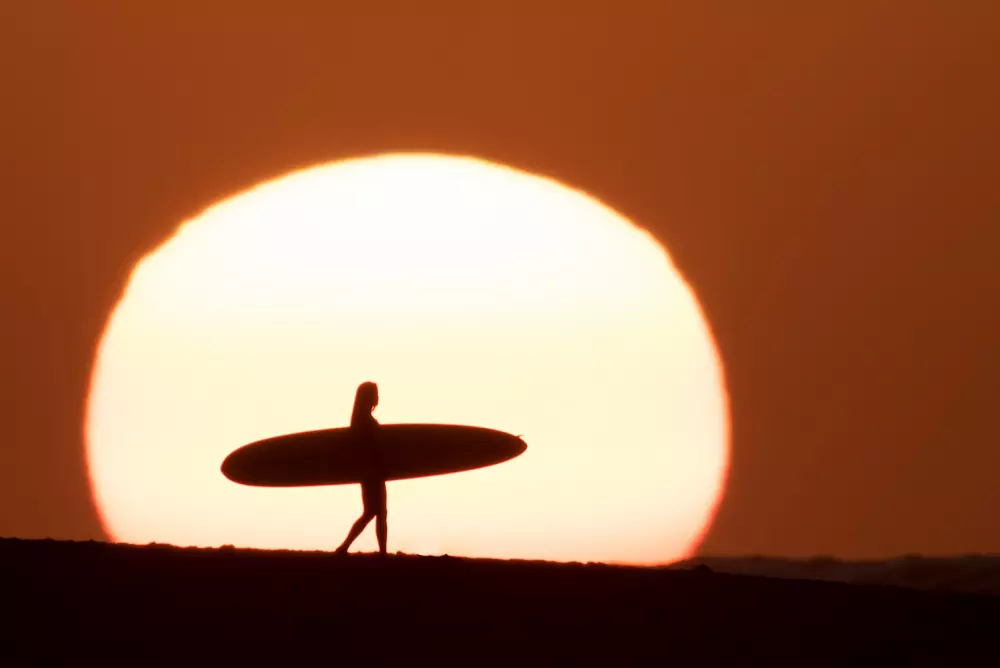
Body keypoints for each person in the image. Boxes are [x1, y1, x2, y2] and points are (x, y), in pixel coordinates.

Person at [335, 381, 388, 555]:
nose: (378, 397)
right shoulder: (363, 420)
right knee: (372, 512)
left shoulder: (362, 418)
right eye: (374, 393)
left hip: (374, 471)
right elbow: (365, 447)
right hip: (370, 471)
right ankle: (344, 547)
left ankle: (382, 552)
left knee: (378, 512)